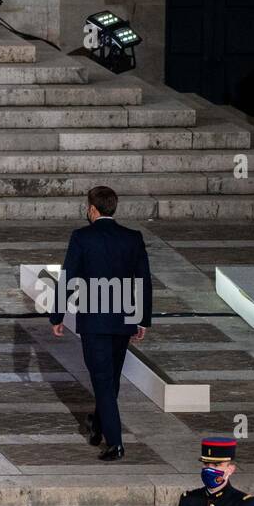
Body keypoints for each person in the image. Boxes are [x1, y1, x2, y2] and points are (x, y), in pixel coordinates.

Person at [50, 186, 152, 462]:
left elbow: (69, 277)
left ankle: (115, 442)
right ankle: (97, 422)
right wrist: (142, 319)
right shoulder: (132, 238)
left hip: (94, 321)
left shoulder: (82, 237)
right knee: (109, 380)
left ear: (92, 209)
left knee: (104, 382)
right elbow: (143, 280)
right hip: (123, 319)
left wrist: (57, 315)